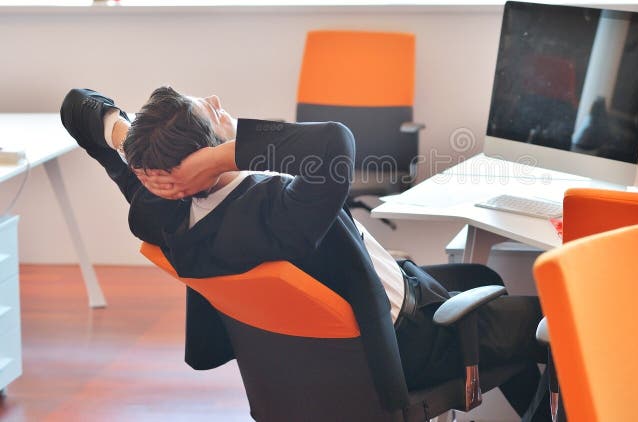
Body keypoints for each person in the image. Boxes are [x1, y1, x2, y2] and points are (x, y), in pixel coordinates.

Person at [60, 87, 548, 419]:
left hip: (324, 352)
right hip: (408, 336)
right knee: (553, 320)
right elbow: (336, 142)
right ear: (202, 160)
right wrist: (222, 154)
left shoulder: (161, 208)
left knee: (481, 273)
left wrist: (134, 148)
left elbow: (76, 105)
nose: (214, 100)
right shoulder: (277, 212)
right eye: (206, 109)